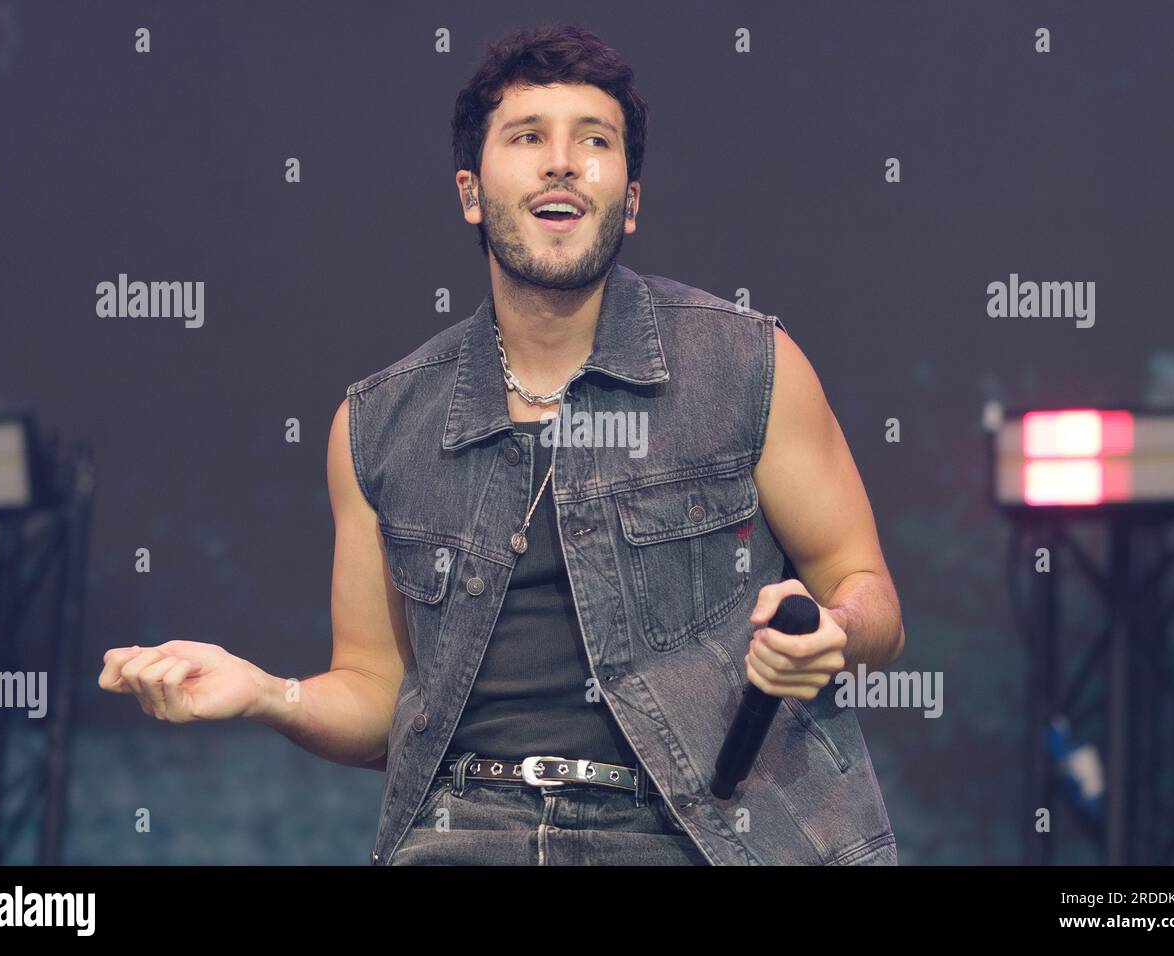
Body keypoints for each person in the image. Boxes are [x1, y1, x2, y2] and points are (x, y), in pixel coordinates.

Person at [99, 23, 905, 866]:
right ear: (471, 192)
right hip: (470, 829)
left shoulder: (748, 365)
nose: (562, 161)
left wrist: (834, 634)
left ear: (629, 200)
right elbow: (378, 699)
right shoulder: (377, 424)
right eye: (528, 138)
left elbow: (869, 592)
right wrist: (269, 693)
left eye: (594, 141)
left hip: (701, 826)